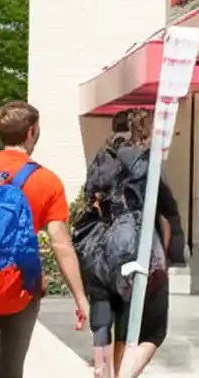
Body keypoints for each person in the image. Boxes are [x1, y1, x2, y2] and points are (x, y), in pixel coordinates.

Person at [0, 101, 89, 378]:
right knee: (11, 368)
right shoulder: (47, 181)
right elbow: (60, 243)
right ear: (32, 132)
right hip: (21, 288)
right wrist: (80, 298)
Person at [74, 108, 186, 378]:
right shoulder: (147, 162)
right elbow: (167, 211)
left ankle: (101, 370)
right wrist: (171, 255)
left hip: (99, 254)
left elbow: (89, 204)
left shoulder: (101, 160)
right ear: (146, 132)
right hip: (134, 254)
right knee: (153, 330)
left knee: (103, 321)